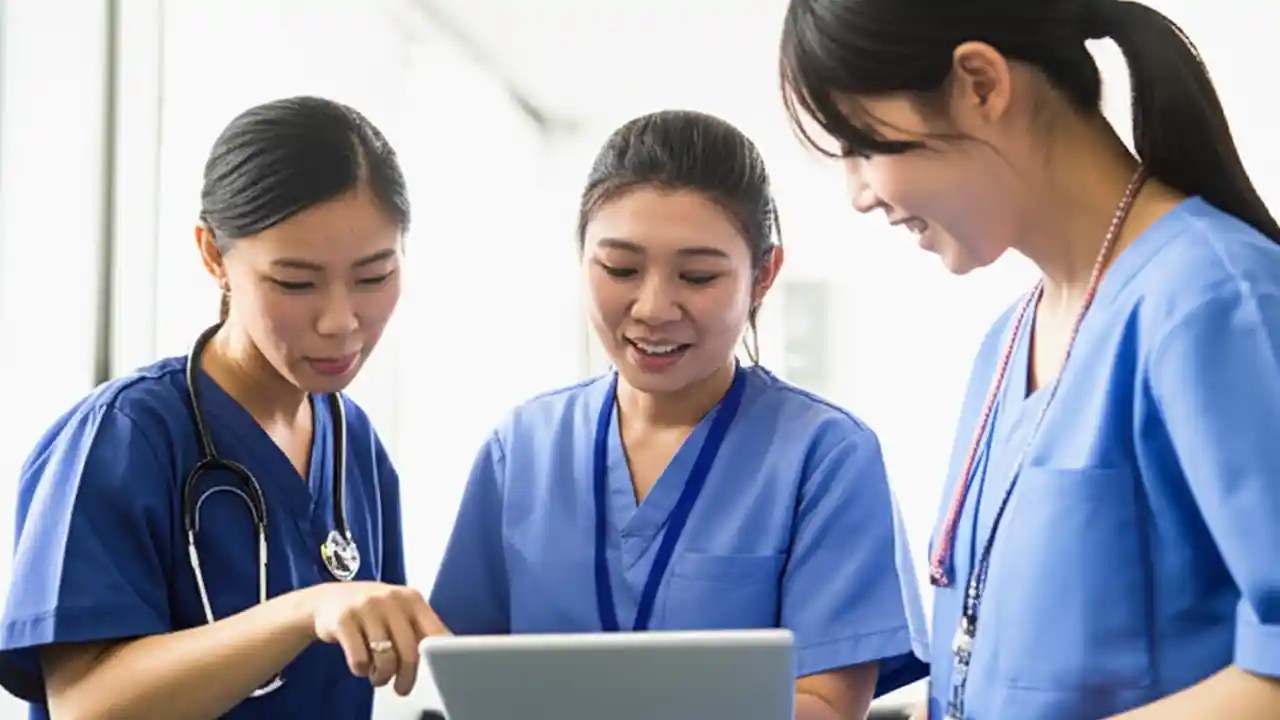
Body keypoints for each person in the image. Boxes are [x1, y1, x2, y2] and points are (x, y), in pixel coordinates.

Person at [779, 0, 1280, 718]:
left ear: (980, 84)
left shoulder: (1215, 303)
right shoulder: (1007, 344)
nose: (859, 195)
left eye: (861, 145)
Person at [429, 109, 929, 719]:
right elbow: (466, 674)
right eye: (620, 269)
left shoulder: (824, 456)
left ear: (763, 276)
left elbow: (827, 704)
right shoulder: (523, 449)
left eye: (697, 275)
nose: (653, 307)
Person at [0, 96, 447, 719]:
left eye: (374, 277)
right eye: (296, 282)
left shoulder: (353, 445)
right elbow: (87, 706)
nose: (342, 321)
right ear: (214, 255)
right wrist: (304, 610)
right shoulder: (126, 436)